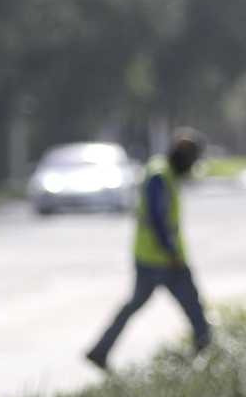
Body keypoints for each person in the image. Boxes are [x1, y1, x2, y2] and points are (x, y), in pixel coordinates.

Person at [86, 129, 211, 370]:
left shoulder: (163, 172)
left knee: (134, 306)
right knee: (193, 306)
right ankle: (205, 352)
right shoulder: (159, 176)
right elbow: (158, 219)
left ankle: (100, 350)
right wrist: (171, 252)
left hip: (150, 257)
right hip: (162, 259)